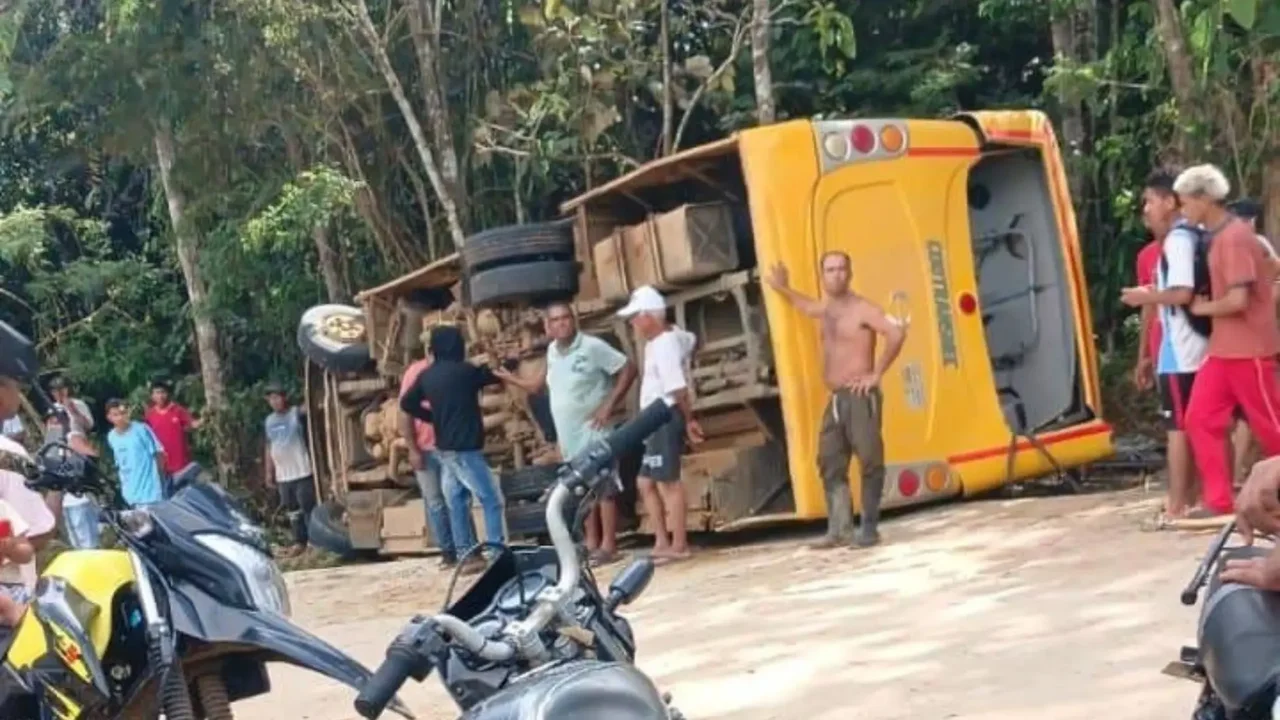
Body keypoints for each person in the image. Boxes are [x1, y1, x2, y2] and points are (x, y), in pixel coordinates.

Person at [766, 251, 907, 549]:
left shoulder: (863, 309)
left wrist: (876, 374)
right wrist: (782, 288)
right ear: (823, 275)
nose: (837, 274)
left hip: (859, 395)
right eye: (830, 270)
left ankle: (869, 529)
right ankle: (840, 529)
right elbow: (805, 306)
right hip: (836, 399)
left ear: (850, 273)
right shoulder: (826, 309)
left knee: (870, 460)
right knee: (829, 460)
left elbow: (895, 334)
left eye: (842, 269)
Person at [498, 302, 638, 566]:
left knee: (604, 490)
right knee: (582, 492)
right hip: (570, 438)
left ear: (573, 321)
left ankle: (608, 545)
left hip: (595, 432)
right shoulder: (552, 351)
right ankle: (590, 543)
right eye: (556, 320)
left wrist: (608, 405)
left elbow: (628, 368)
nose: (562, 324)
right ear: (548, 327)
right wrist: (509, 378)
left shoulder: (592, 347)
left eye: (566, 318)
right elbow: (538, 386)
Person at [1178, 164, 1280, 519]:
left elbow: (1238, 301)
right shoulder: (1221, 237)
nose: (1183, 209)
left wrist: (1202, 307)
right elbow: (1270, 267)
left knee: (1272, 427)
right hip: (1224, 350)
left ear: (1204, 199)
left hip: (1249, 350)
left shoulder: (1234, 237)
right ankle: (1219, 500)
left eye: (1186, 201)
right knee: (1200, 418)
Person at [399, 325, 522, 569]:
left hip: (444, 449)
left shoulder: (427, 376)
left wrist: (432, 416)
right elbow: (498, 373)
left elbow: (406, 403)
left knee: (456, 500)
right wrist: (495, 356)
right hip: (465, 449)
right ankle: (497, 553)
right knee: (491, 498)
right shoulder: (466, 372)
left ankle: (465, 555)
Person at [1120, 170, 1204, 522]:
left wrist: (1145, 295)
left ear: (1170, 202)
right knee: (1194, 425)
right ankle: (1193, 497)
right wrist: (1143, 356)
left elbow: (1173, 297)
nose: (1145, 210)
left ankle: (1179, 504)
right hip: (1175, 347)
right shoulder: (1174, 245)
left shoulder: (1182, 241)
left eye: (1149, 201)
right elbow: (1153, 311)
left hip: (1182, 350)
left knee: (1179, 429)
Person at [613, 286, 702, 563]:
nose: (633, 323)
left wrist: (689, 420)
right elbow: (690, 339)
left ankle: (679, 544)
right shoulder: (665, 340)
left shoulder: (663, 344)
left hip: (664, 414)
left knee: (668, 482)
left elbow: (678, 388)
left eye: (636, 317)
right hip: (652, 419)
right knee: (645, 481)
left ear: (651, 316)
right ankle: (662, 540)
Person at [0, 322, 62, 617]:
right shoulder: (8, 454)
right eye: (16, 385)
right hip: (11, 608)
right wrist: (58, 480)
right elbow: (39, 533)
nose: (19, 393)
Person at [398, 337, 463, 569]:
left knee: (455, 498)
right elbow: (405, 413)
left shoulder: (452, 369)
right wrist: (413, 449)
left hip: (449, 448)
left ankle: (466, 550)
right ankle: (448, 552)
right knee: (435, 501)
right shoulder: (414, 373)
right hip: (425, 448)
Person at [263, 383, 316, 558]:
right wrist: (269, 472)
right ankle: (298, 541)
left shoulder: (295, 413)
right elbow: (269, 447)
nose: (275, 402)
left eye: (277, 397)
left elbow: (308, 408)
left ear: (284, 398)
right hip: (283, 475)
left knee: (307, 506)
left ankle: (313, 541)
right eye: (271, 399)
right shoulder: (269, 421)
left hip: (301, 470)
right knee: (292, 510)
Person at [44, 409, 101, 549]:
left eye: (57, 421)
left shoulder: (72, 438)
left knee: (88, 544)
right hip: (64, 503)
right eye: (50, 421)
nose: (53, 425)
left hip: (80, 499)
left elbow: (93, 457)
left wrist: (74, 449)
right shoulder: (50, 444)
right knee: (77, 545)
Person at [106, 399, 167, 507]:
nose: (120, 417)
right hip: (130, 495)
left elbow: (159, 454)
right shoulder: (111, 437)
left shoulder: (142, 429)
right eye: (115, 415)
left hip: (151, 493)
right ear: (109, 418)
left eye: (123, 413)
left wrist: (161, 482)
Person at [144, 380, 200, 479]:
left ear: (167, 394)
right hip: (162, 466)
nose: (160, 396)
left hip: (182, 463)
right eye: (157, 393)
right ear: (152, 396)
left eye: (163, 392)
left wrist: (206, 419)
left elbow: (193, 424)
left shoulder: (178, 410)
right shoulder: (149, 415)